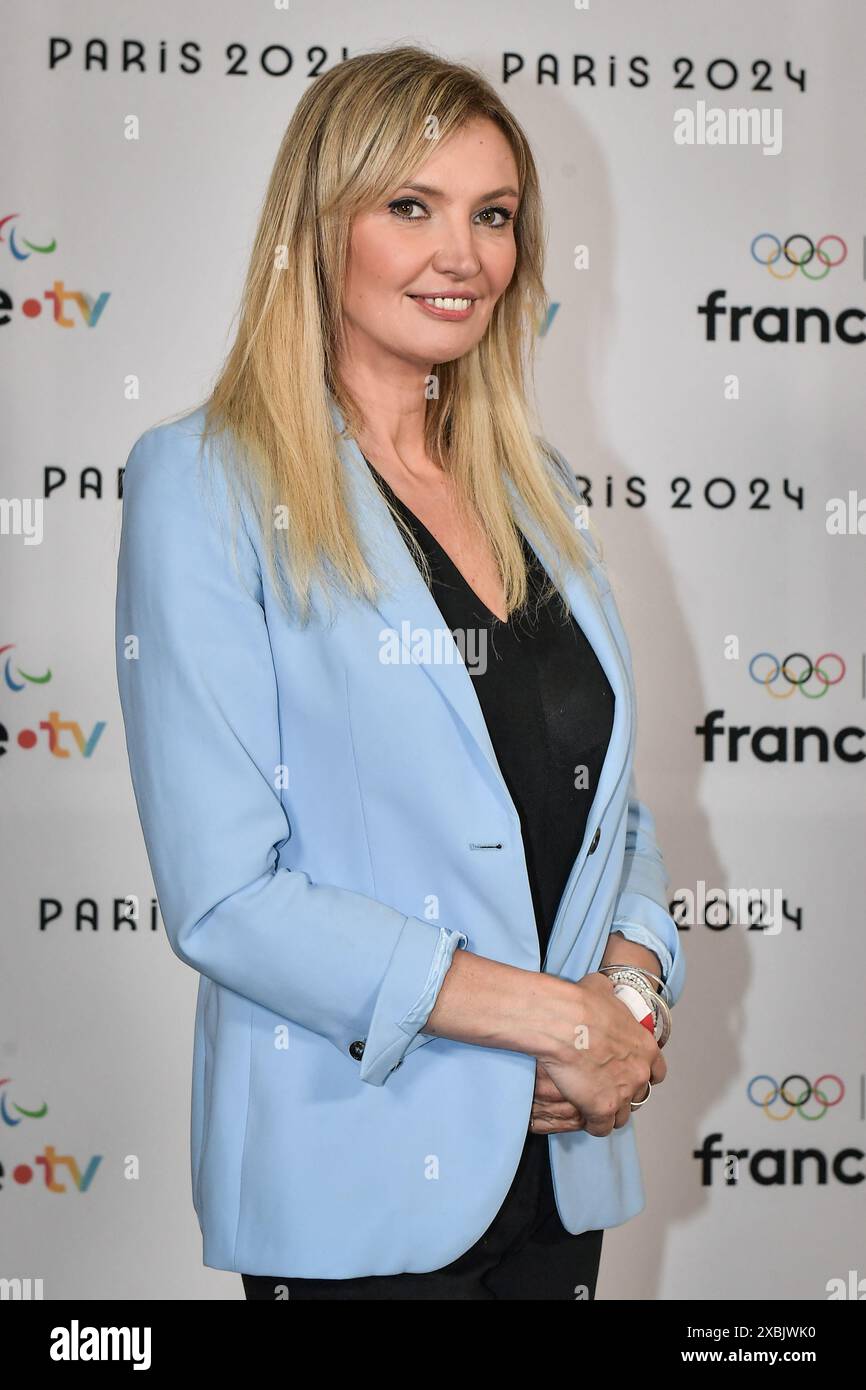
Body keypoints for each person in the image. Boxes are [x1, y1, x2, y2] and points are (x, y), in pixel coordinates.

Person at [115, 43, 685, 1301]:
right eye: (410, 207)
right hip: (358, 1172)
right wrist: (555, 1020)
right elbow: (223, 895)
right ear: (319, 227)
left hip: (556, 1162)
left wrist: (630, 1002)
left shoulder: (537, 491)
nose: (462, 255)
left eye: (492, 216)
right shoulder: (203, 483)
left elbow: (611, 814)